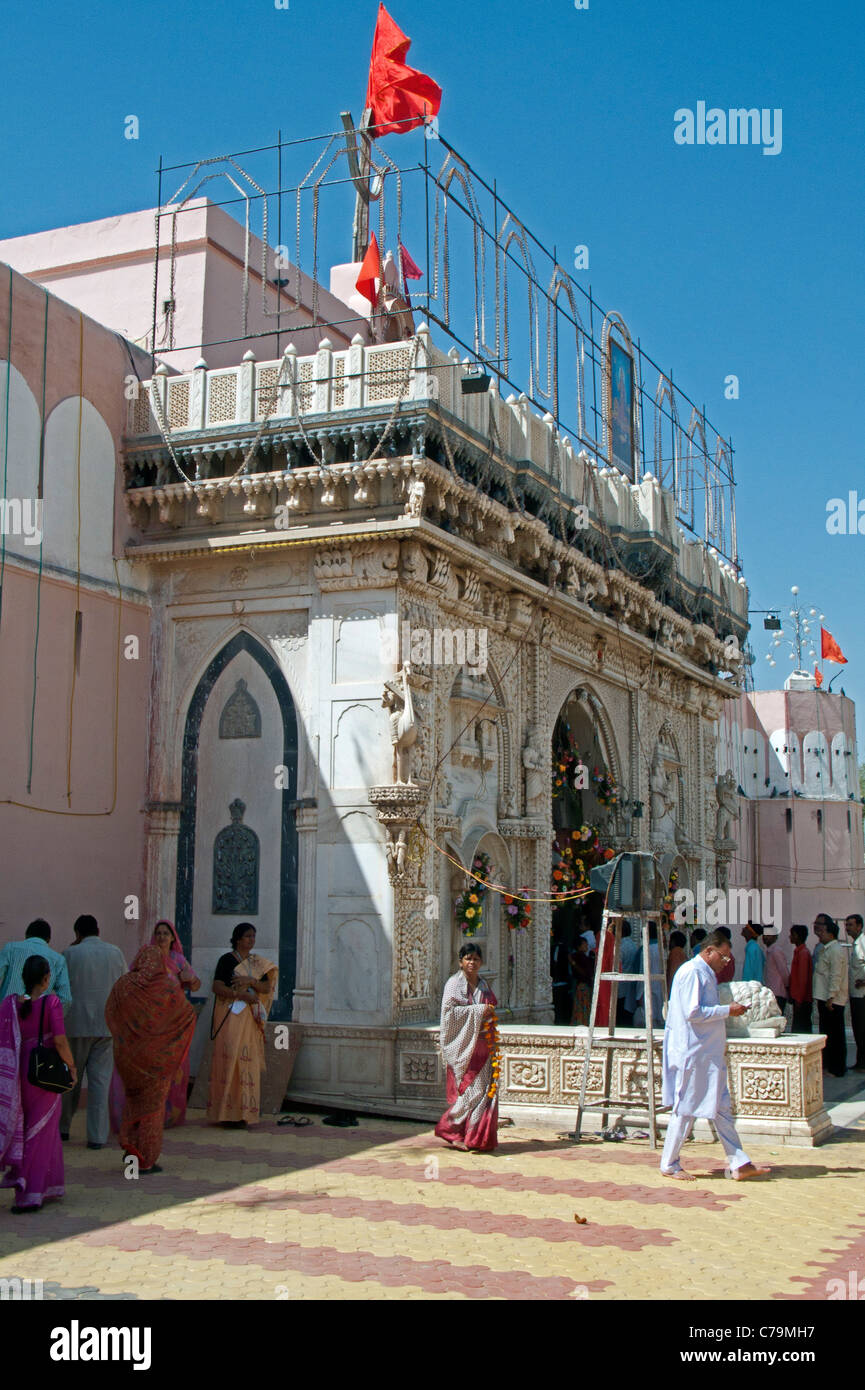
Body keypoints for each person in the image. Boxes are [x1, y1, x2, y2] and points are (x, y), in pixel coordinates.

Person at [660, 929, 770, 1183]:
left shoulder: (704, 973)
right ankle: (669, 1163)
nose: (725, 962)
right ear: (709, 951)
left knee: (722, 1109)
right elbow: (693, 1012)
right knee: (685, 1108)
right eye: (724, 956)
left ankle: (739, 1162)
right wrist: (727, 1010)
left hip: (707, 1055)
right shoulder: (692, 972)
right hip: (693, 1054)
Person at [105, 945, 195, 1172]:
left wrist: (128, 1039)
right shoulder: (166, 987)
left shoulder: (123, 985)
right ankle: (146, 1158)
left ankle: (130, 1150)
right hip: (158, 1062)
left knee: (133, 1102)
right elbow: (187, 1014)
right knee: (153, 1110)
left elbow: (110, 1013)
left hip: (129, 1060)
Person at [0, 955, 77, 1212]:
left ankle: (45, 1186)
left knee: (28, 1126)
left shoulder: (11, 1004)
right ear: (46, 979)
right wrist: (72, 1068)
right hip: (44, 1072)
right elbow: (60, 1041)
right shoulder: (51, 1002)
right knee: (41, 1130)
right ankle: (30, 1192)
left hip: (19, 1072)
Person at [109, 921, 201, 1134]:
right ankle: (140, 1115)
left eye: (165, 933)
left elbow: (195, 984)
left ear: (173, 938)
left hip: (171, 1024)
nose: (161, 937)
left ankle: (167, 1115)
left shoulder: (178, 960)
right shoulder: (146, 958)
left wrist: (189, 980)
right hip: (147, 1023)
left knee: (173, 1067)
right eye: (157, 933)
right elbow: (131, 981)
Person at [60, 915, 126, 1149]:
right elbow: (123, 987)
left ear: (77, 933)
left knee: (70, 1080)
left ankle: (63, 1128)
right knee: (100, 1082)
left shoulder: (69, 954)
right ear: (98, 930)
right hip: (106, 1026)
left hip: (75, 1024)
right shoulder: (115, 952)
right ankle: (97, 1137)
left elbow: (61, 988)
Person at [207, 924, 277, 1129]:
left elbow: (266, 987)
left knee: (246, 1063)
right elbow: (216, 986)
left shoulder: (256, 963)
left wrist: (251, 981)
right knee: (230, 1062)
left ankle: (244, 1113)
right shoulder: (226, 960)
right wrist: (240, 994)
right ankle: (226, 1114)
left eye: (253, 936)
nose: (251, 940)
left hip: (248, 1019)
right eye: (247, 936)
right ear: (237, 938)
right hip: (230, 1016)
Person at [434, 943, 498, 1153]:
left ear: (481, 962)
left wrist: (485, 1012)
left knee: (483, 1092)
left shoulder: (483, 985)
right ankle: (451, 1130)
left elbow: (492, 1007)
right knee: (469, 1091)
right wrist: (479, 1010)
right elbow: (449, 1014)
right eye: (468, 958)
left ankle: (476, 1137)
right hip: (463, 1047)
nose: (472, 963)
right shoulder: (453, 984)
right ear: (460, 961)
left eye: (476, 959)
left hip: (484, 1045)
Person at [0, 920, 71, 1008]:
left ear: (27, 935)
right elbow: (66, 999)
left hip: (7, 1013)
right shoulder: (59, 960)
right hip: (39, 1017)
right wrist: (52, 1017)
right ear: (48, 939)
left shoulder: (11, 948)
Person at [812, 915, 849, 1078]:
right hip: (824, 997)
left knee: (836, 1035)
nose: (819, 932)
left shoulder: (835, 950)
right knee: (827, 1033)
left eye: (822, 929)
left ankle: (837, 1068)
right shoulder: (825, 949)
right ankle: (829, 1065)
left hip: (832, 1000)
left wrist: (831, 997)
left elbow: (836, 975)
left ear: (830, 932)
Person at [845, 913, 865, 1071]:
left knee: (862, 1029)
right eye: (846, 925)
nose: (847, 928)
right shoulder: (856, 944)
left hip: (862, 995)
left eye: (850, 925)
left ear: (859, 926)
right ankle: (860, 1061)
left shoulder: (863, 942)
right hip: (855, 994)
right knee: (858, 1029)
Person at [788, 925, 813, 1034]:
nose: (790, 937)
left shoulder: (803, 953)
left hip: (802, 999)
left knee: (801, 1029)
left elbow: (803, 979)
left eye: (792, 935)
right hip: (799, 998)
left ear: (797, 936)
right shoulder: (799, 952)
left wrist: (799, 999)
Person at [763, 929, 790, 1015]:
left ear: (775, 937)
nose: (765, 937)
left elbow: (784, 972)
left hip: (778, 992)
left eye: (769, 935)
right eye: (764, 935)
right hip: (771, 992)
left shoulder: (776, 951)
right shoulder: (769, 951)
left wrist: (787, 987)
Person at [618, 921, 639, 1025]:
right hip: (630, 985)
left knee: (620, 1016)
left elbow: (617, 966)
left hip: (620, 986)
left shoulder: (619, 947)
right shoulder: (633, 945)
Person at [570, 939, 593, 1026]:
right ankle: (582, 1022)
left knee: (580, 1006)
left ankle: (580, 1022)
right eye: (584, 944)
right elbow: (585, 973)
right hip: (583, 985)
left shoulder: (579, 956)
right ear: (579, 946)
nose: (586, 946)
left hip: (581, 984)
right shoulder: (580, 956)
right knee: (583, 1005)